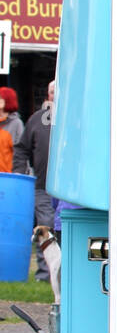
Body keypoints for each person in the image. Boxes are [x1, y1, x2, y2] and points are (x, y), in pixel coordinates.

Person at [14, 81, 55, 280]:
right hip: (42, 186)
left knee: (65, 230)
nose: (54, 96)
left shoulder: (75, 118)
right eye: (52, 92)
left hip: (69, 190)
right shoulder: (37, 120)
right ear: (47, 95)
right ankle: (44, 274)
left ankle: (65, 273)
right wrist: (20, 174)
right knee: (45, 225)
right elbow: (22, 149)